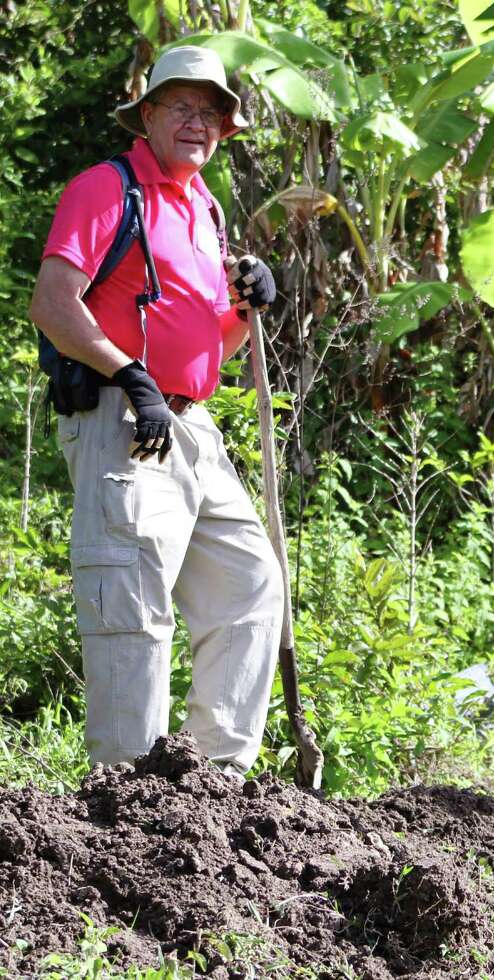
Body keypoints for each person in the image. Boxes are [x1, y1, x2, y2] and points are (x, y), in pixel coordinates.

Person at [28, 46, 284, 776]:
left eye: (212, 112)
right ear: (147, 115)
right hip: (123, 420)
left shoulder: (205, 208)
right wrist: (130, 375)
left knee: (251, 586)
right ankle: (127, 805)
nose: (197, 123)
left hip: (190, 425)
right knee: (133, 609)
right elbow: (52, 305)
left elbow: (213, 345)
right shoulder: (107, 189)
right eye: (182, 107)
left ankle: (212, 790)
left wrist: (247, 306)